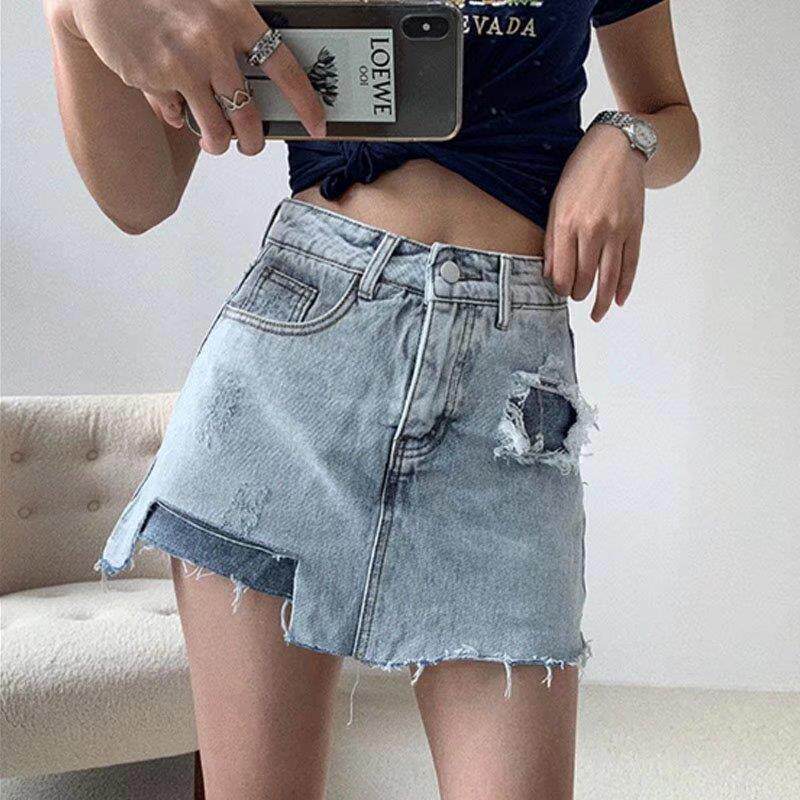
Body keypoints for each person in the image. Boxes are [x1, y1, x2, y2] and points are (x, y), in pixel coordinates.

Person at [44, 0, 700, 797]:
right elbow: (139, 196)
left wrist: (623, 138)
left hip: (508, 391)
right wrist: (70, 15)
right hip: (295, 356)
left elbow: (672, 117)